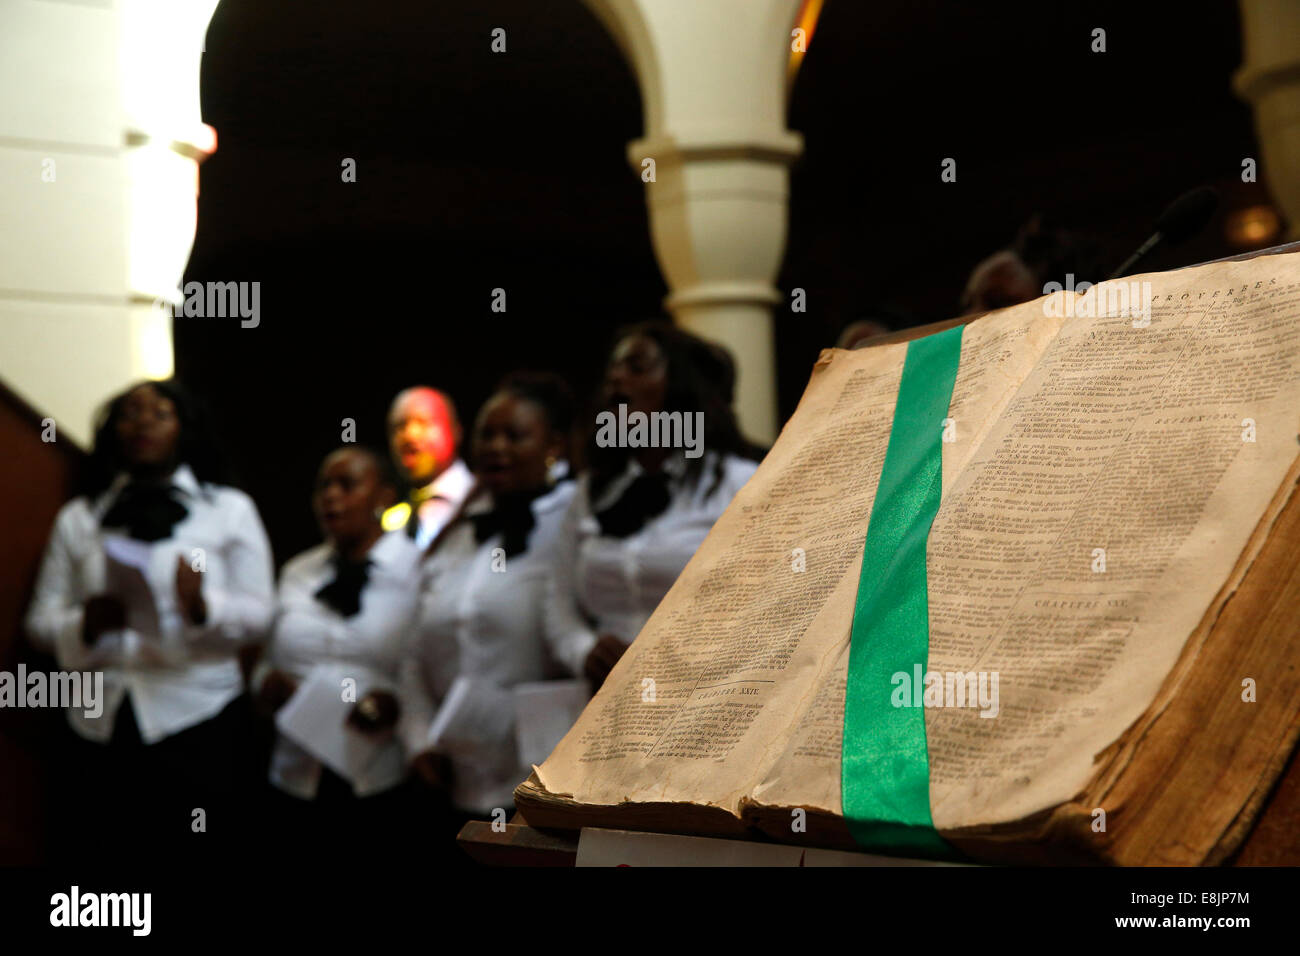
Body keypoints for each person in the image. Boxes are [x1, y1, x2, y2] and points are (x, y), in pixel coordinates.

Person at [25, 379, 274, 862]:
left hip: (201, 715)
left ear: (184, 427)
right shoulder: (82, 516)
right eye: (130, 413)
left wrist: (205, 607)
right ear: (114, 431)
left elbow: (262, 614)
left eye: (160, 413)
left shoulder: (228, 510)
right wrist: (86, 624)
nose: (143, 422)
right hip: (100, 722)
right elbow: (39, 622)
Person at [399, 373, 578, 832]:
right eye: (487, 435)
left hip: (547, 785)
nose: (496, 446)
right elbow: (414, 650)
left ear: (552, 444)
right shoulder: (456, 532)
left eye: (514, 435)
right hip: (456, 779)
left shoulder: (577, 520)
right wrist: (419, 740)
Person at [544, 321, 763, 688]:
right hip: (605, 699)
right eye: (613, 367)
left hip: (706, 693)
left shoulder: (740, 482)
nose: (616, 377)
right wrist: (584, 650)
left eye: (637, 366)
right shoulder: (592, 490)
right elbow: (557, 603)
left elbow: (766, 601)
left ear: (681, 385)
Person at [254, 446, 421, 856]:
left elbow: (430, 666)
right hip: (295, 773)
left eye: (346, 485)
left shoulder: (418, 571)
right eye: (323, 487)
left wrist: (397, 704)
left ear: (383, 497)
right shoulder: (298, 571)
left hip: (379, 772)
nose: (331, 496)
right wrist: (265, 684)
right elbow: (264, 661)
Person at [384, 386, 473, 550]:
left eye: (423, 422)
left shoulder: (480, 502)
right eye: (399, 426)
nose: (410, 435)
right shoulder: (390, 522)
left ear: (456, 431)